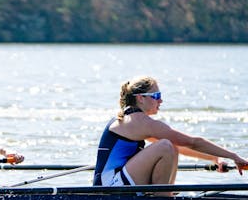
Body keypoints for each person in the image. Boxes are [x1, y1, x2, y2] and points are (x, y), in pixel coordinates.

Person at [93, 76, 247, 186]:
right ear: (140, 98)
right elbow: (192, 142)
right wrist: (234, 156)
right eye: (156, 96)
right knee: (166, 146)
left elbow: (181, 147)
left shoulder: (133, 121)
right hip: (108, 188)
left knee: (170, 146)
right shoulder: (140, 122)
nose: (161, 101)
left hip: (117, 182)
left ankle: (164, 197)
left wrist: (215, 158)